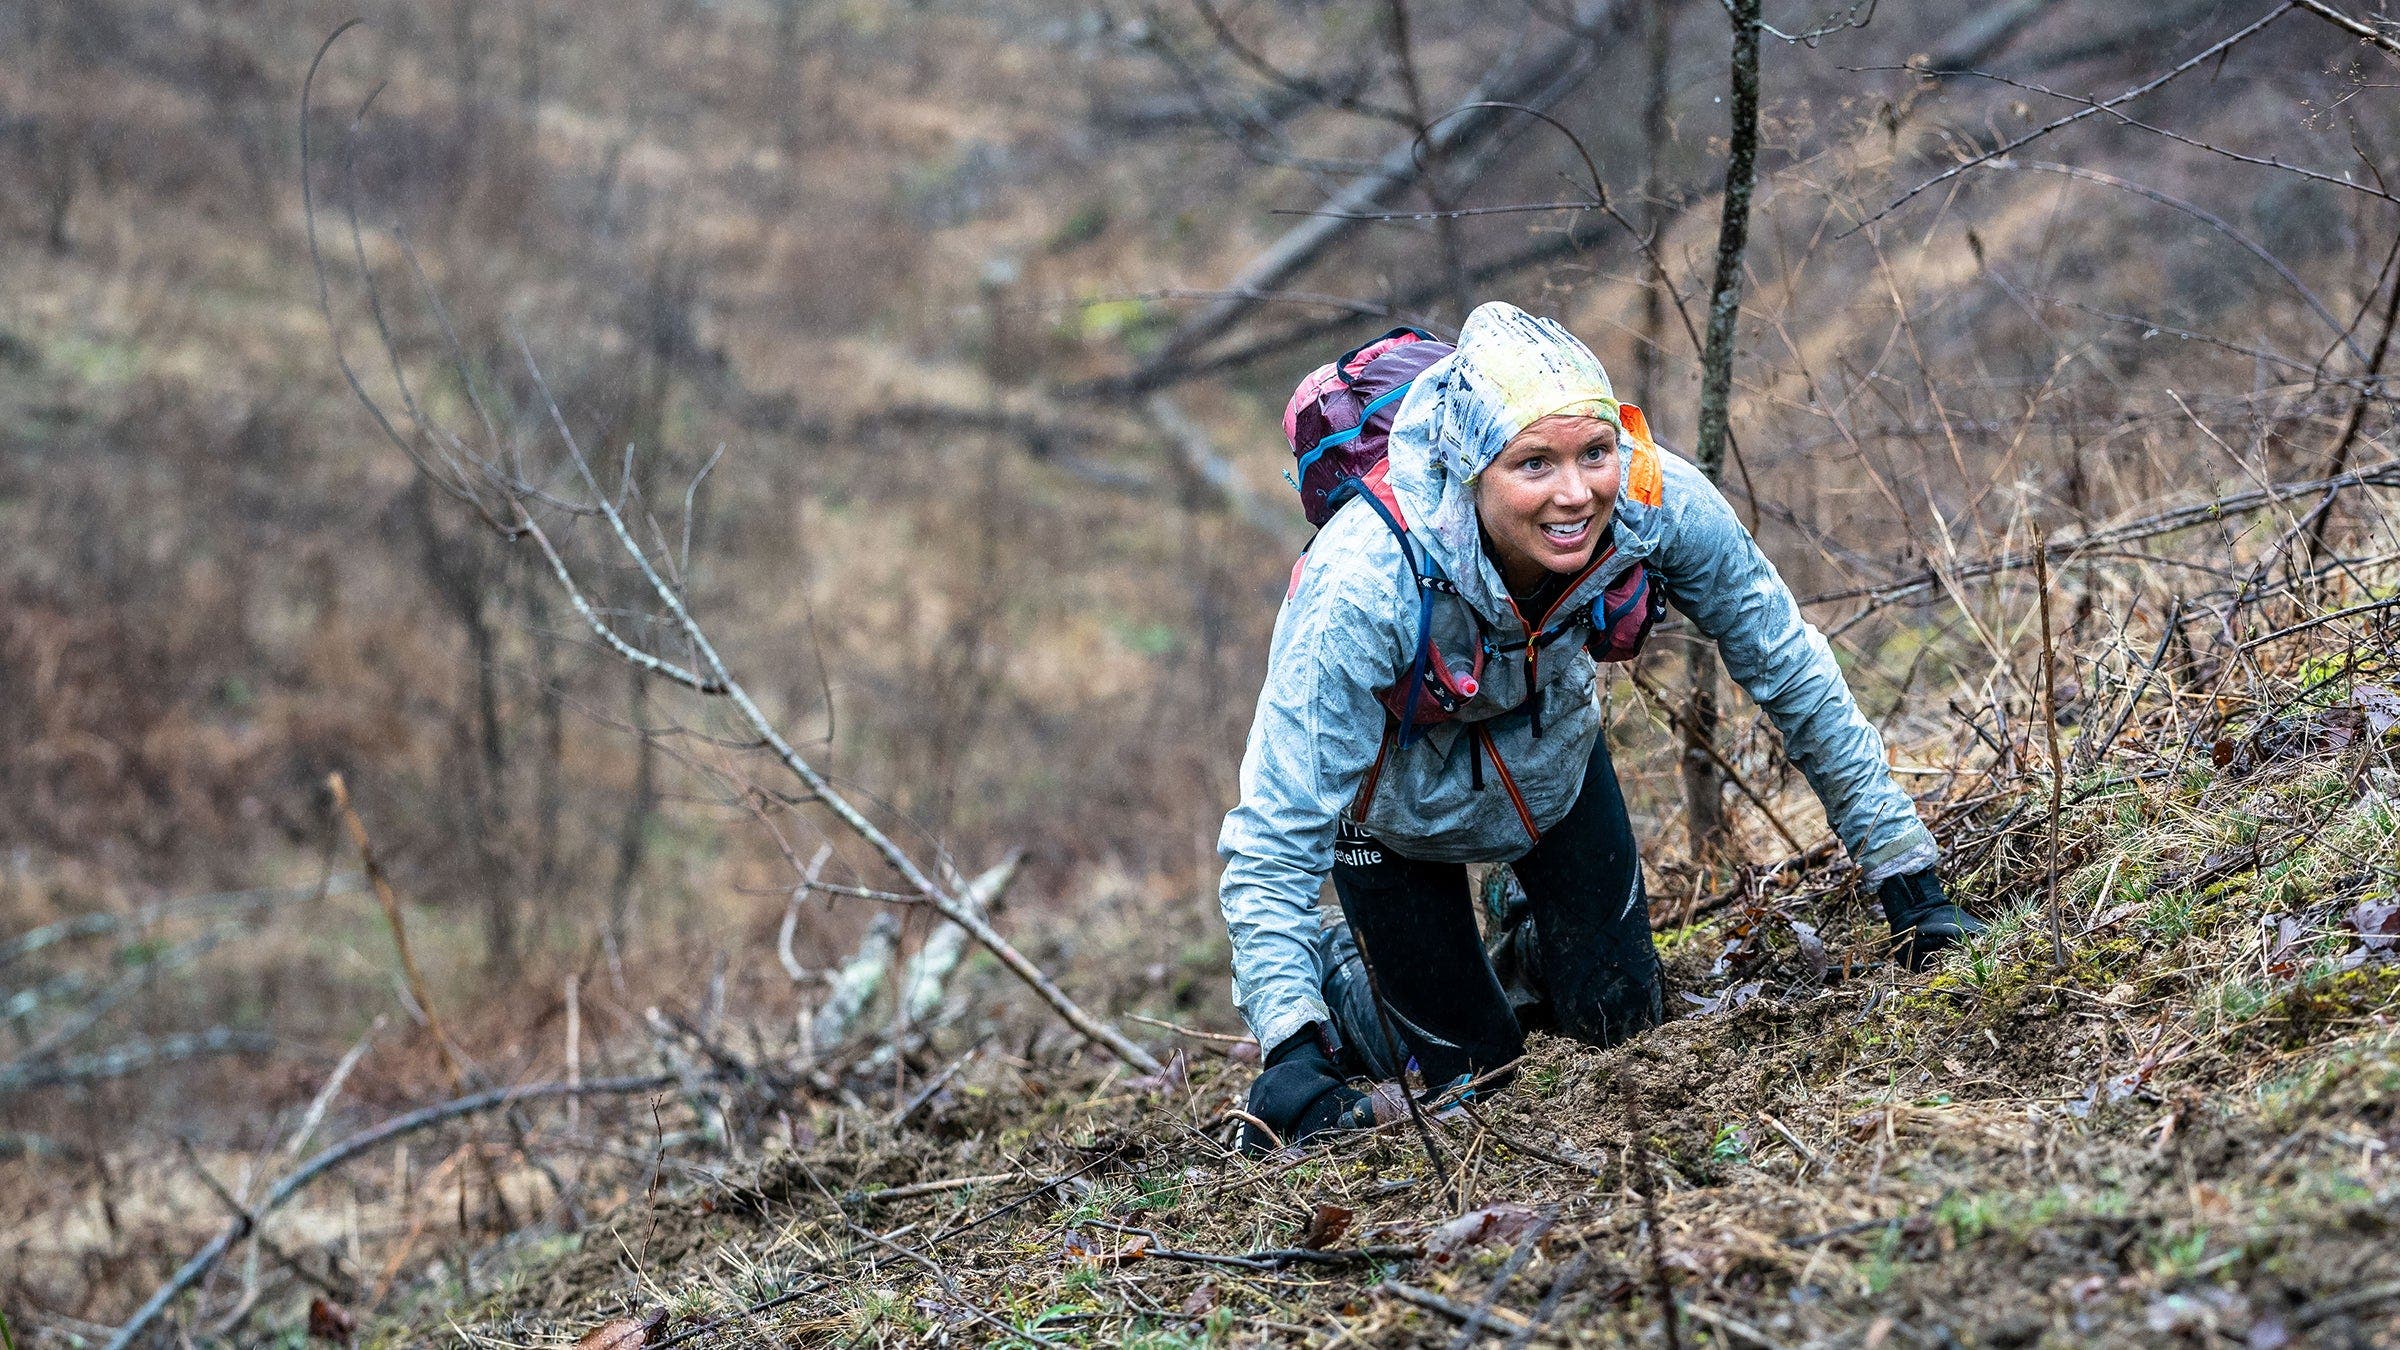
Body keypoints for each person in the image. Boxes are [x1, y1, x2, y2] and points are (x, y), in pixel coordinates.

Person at [1216, 301, 1983, 1149]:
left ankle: (1522, 925)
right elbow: (1275, 826)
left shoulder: (1657, 501)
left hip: (1554, 777)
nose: (1574, 494)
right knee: (1475, 1076)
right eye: (1533, 465)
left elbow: (1791, 669)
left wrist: (1910, 883)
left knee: (1620, 1023)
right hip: (1391, 825)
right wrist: (1290, 1044)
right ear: (1473, 469)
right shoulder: (1361, 579)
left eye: (1594, 453)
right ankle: (1342, 971)